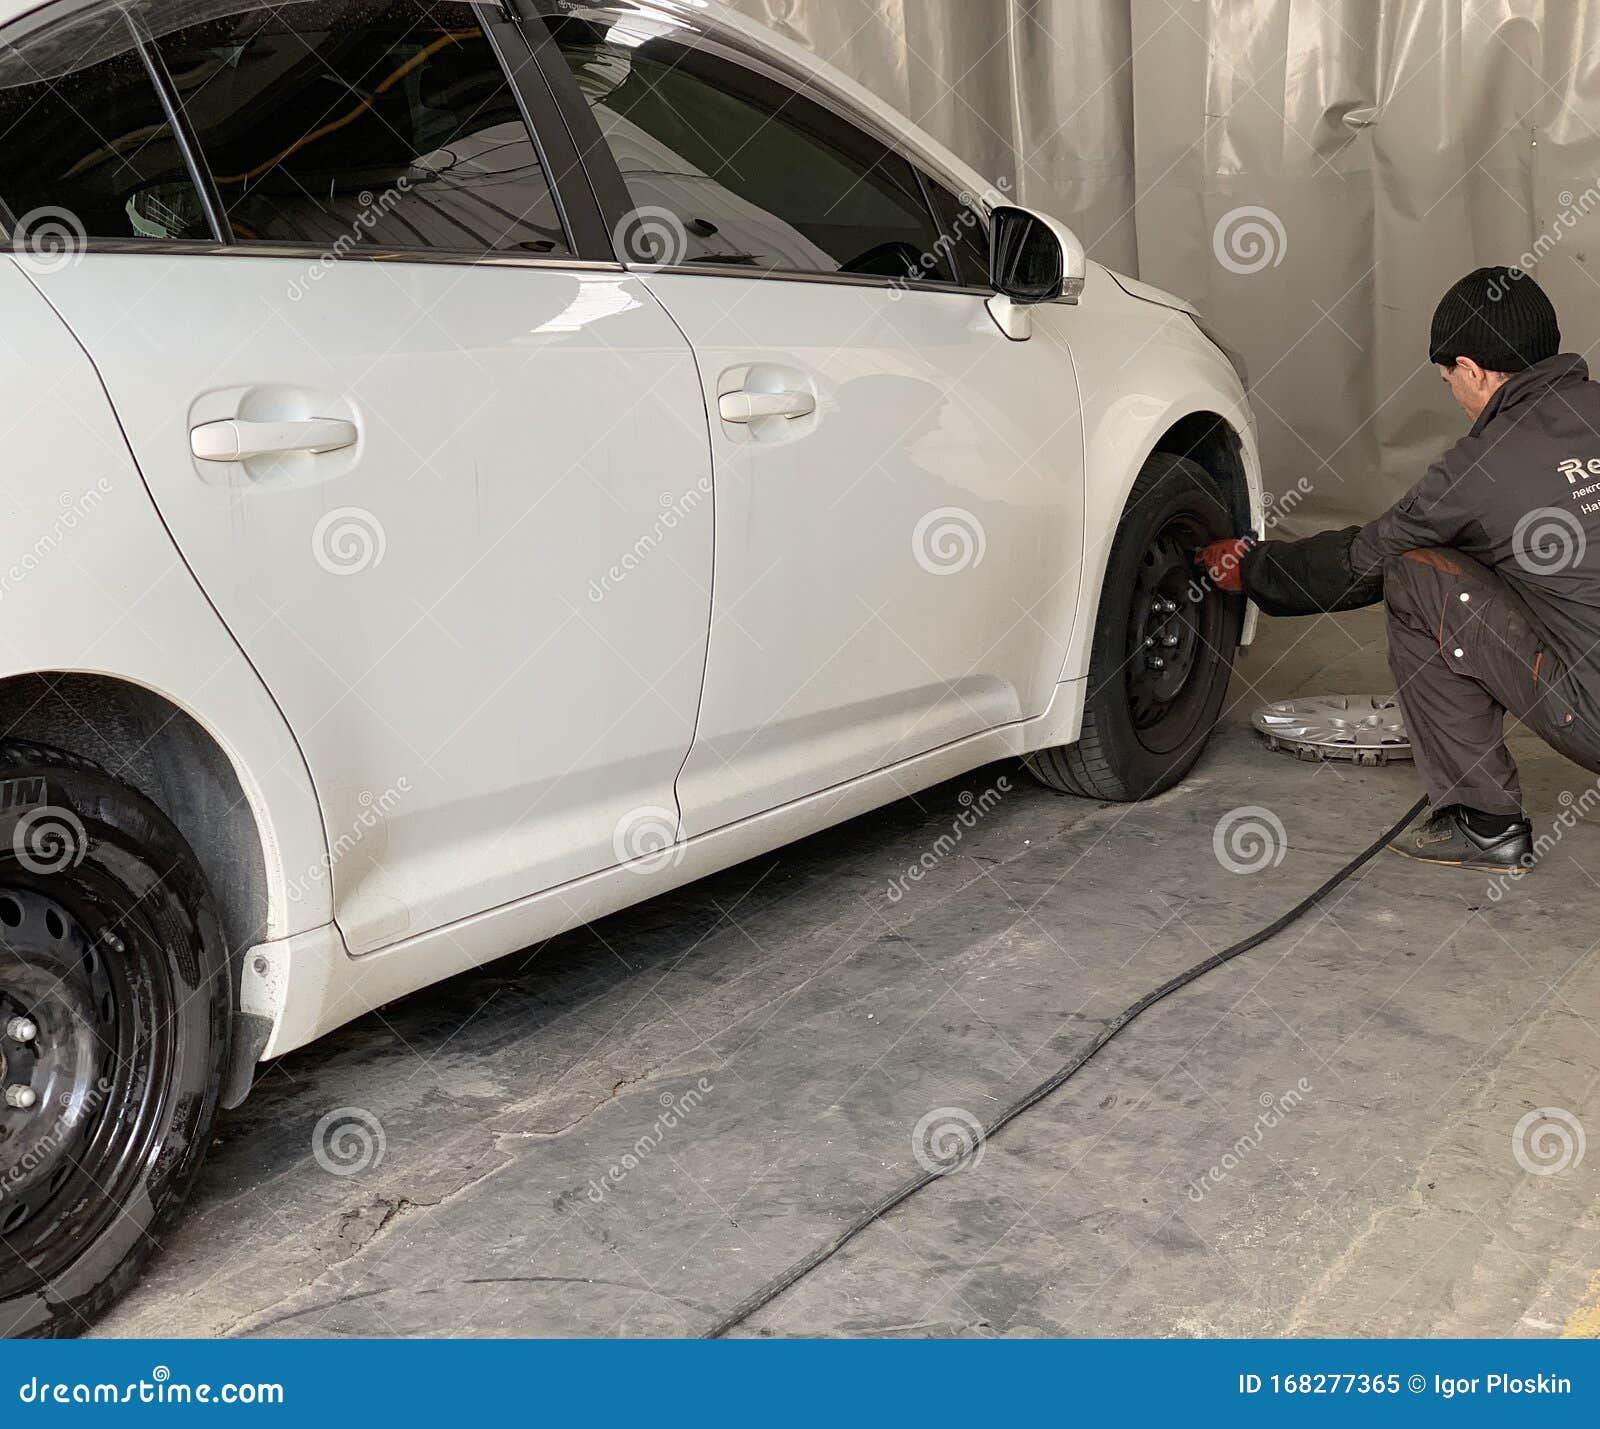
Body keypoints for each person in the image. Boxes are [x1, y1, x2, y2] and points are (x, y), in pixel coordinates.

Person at [1201, 266, 1600, 872]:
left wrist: (1253, 568)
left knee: (1416, 571)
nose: (1456, 396)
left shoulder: (1480, 468)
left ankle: (1482, 823)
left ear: (1471, 369)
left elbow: (1365, 559)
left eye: (1449, 380)